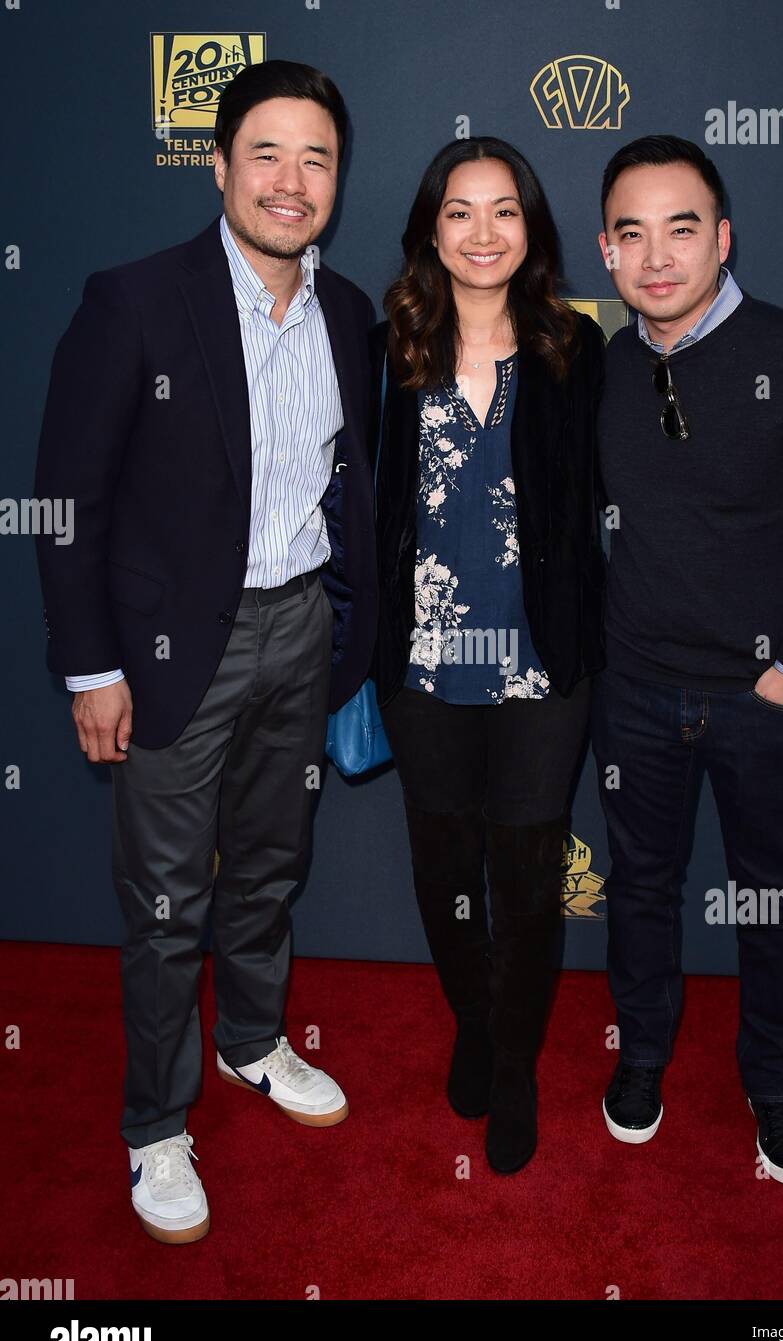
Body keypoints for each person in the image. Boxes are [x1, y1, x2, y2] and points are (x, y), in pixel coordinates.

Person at [33, 60, 378, 1242]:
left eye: (317, 158)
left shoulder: (347, 314)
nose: (292, 182)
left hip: (302, 629)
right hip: (177, 645)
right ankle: (155, 1125)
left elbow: (352, 485)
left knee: (272, 865)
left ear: (339, 179)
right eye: (267, 154)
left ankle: (251, 1042)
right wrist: (91, 667)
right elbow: (67, 495)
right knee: (169, 901)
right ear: (218, 163)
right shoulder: (133, 300)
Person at [592, 134, 783, 1184]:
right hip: (634, 692)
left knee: (772, 897)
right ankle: (645, 1060)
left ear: (721, 238)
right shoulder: (603, 367)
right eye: (633, 231)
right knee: (639, 890)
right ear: (606, 250)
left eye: (680, 228)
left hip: (763, 700)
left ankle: (774, 1084)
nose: (657, 255)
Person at [370, 136, 606, 1174]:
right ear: (431, 226)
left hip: (539, 667)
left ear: (532, 229)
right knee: (442, 873)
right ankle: (473, 1017)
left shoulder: (572, 345)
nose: (481, 233)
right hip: (422, 666)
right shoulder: (388, 345)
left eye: (503, 210)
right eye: (459, 211)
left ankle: (514, 1064)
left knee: (524, 878)